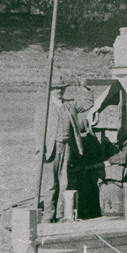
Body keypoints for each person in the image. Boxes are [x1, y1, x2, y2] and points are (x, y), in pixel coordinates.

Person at [43, 81, 94, 222]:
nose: (59, 90)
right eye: (55, 88)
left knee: (64, 182)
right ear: (50, 90)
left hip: (67, 147)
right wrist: (40, 149)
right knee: (50, 184)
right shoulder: (44, 107)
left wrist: (85, 88)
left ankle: (60, 215)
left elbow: (88, 103)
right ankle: (48, 215)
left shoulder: (69, 105)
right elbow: (38, 129)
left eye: (61, 88)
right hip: (50, 149)